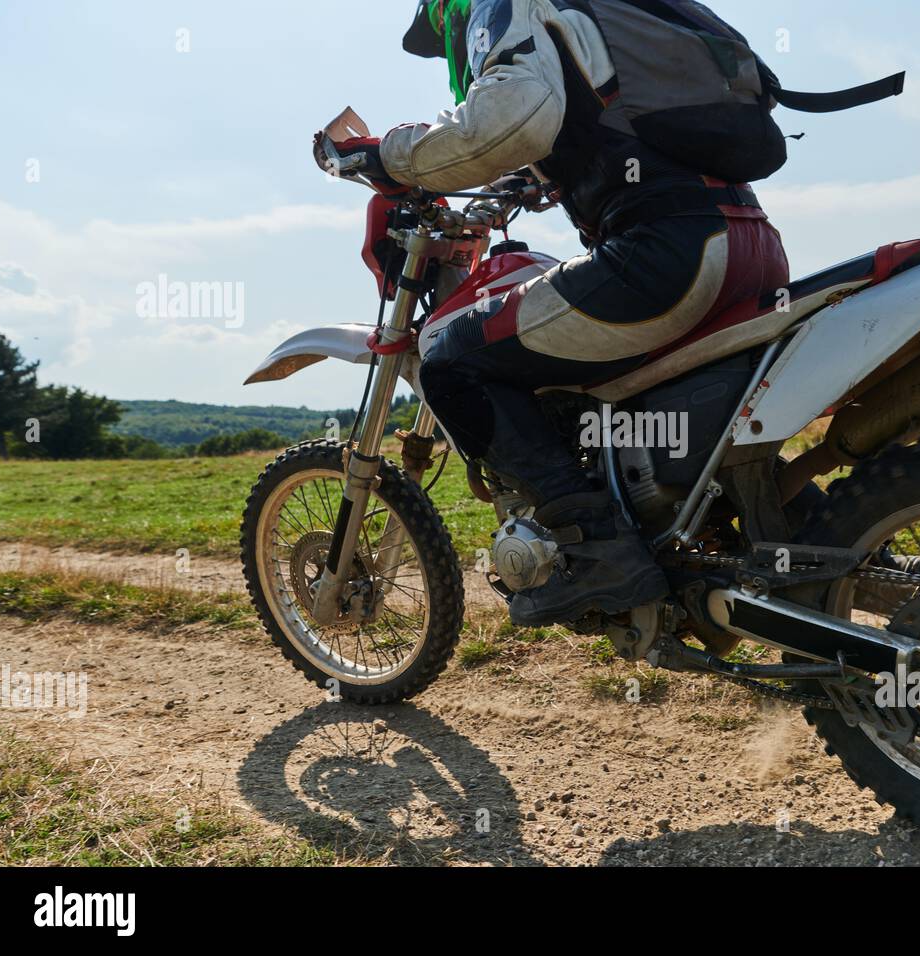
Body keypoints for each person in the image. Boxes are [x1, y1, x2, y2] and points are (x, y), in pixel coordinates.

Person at [333, 0, 790, 626]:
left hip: (667, 256)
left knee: (451, 359)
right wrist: (538, 178)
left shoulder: (501, 4)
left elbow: (507, 121)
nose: (451, 49)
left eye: (443, 34)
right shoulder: (596, 20)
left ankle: (598, 551)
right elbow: (591, 121)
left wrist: (385, 156)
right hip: (748, 247)